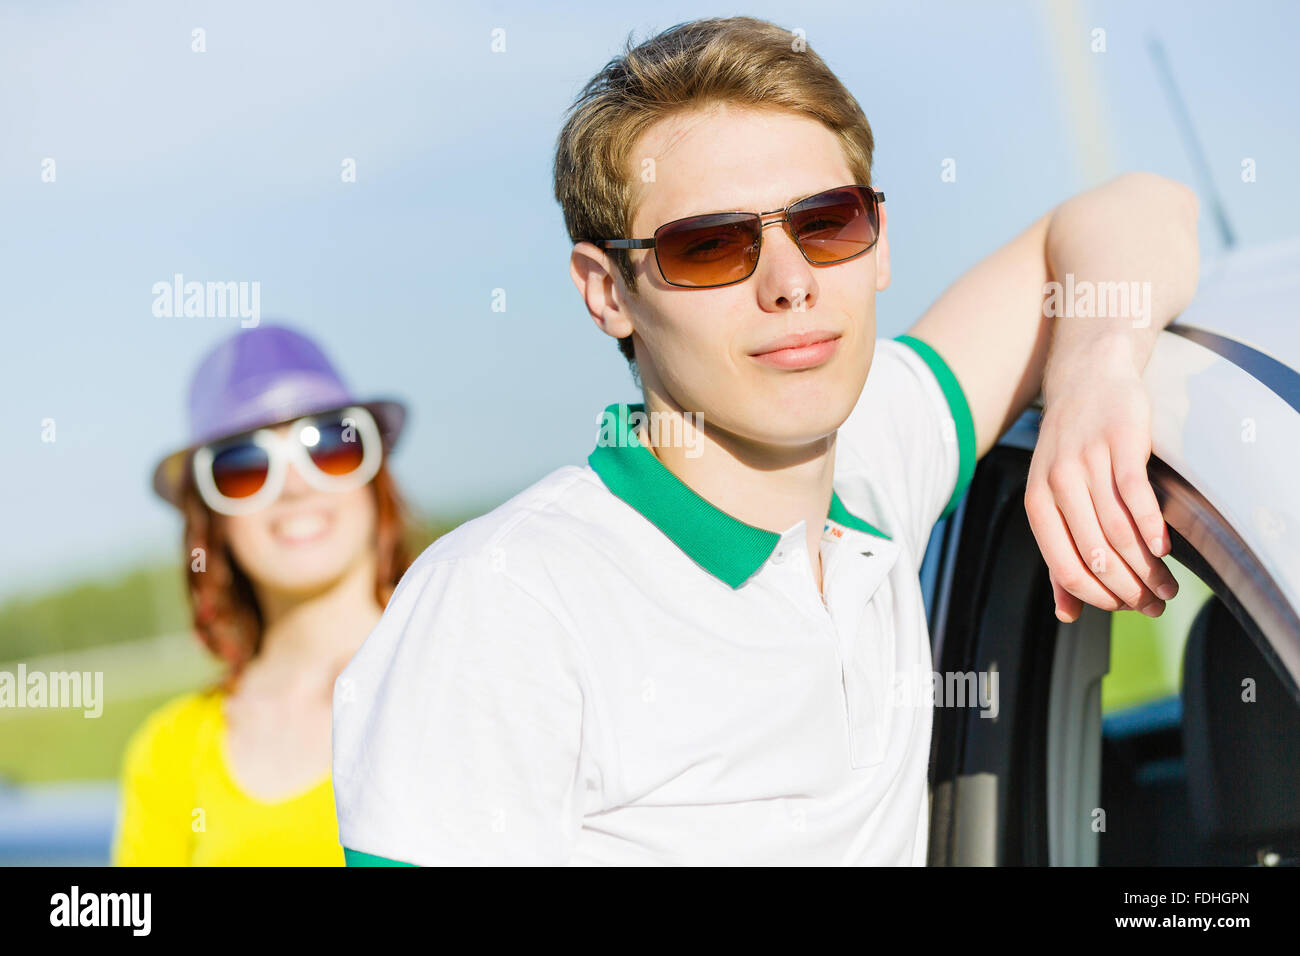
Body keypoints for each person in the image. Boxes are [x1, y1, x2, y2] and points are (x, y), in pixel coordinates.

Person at [333, 16, 1200, 865]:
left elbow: (1141, 210)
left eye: (827, 222)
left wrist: (1092, 376)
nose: (791, 284)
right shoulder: (504, 602)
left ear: (879, 240)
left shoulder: (874, 457)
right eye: (710, 246)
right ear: (605, 292)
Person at [113, 324, 411, 865]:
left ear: (375, 473)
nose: (295, 486)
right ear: (211, 521)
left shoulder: (467, 665)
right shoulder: (169, 752)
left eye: (330, 444)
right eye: (244, 466)